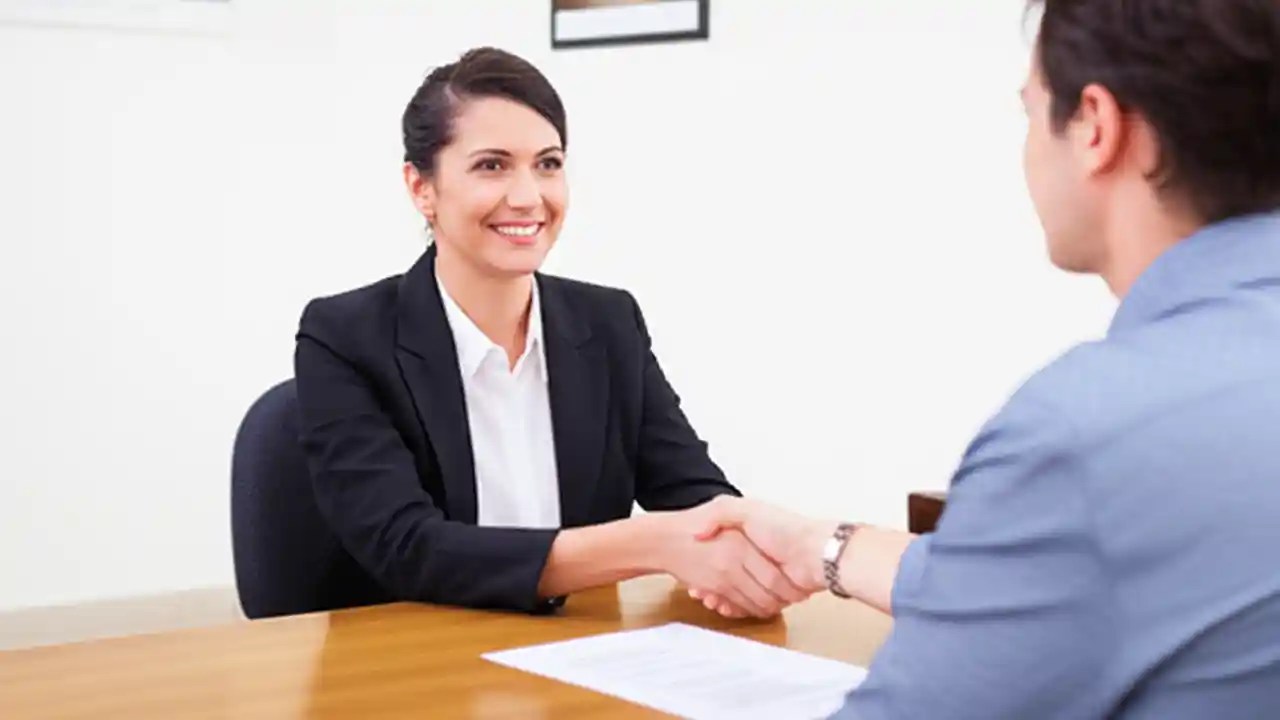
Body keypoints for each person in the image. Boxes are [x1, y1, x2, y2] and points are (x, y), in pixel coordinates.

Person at [699, 0, 1280, 717]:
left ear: (1096, 127)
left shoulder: (1090, 431)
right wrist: (823, 546)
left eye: (1031, 111)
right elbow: (1071, 575)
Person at [293, 47, 804, 617]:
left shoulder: (608, 324)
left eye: (548, 163)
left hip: (573, 654)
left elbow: (692, 493)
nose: (528, 196)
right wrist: (650, 543)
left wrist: (746, 547)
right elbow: (408, 547)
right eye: (492, 165)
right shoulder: (344, 336)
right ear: (422, 187)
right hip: (411, 664)